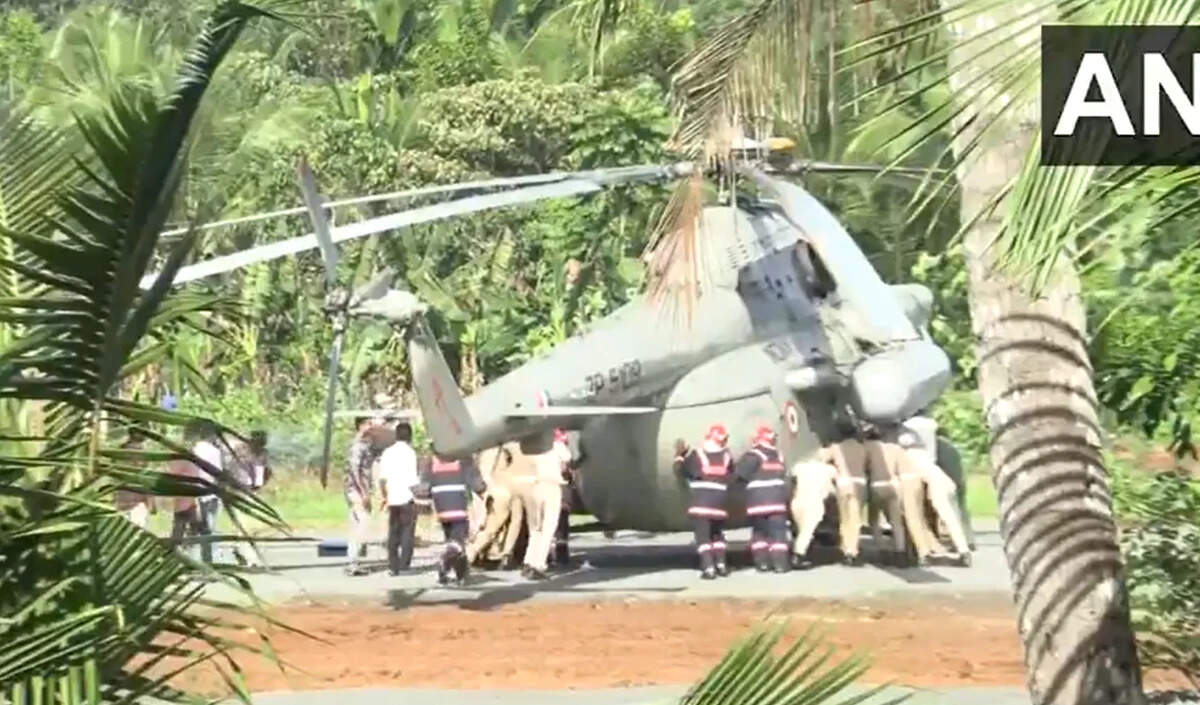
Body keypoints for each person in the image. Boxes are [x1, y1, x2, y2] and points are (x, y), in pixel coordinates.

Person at [897, 414, 972, 566]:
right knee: (951, 518)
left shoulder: (909, 444)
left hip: (935, 483)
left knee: (920, 512)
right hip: (943, 479)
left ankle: (920, 550)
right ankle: (963, 549)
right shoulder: (929, 431)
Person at [863, 426, 937, 566]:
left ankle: (882, 548)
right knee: (896, 521)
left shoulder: (867, 448)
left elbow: (865, 467)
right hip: (893, 485)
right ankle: (900, 551)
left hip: (877, 485)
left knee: (873, 519)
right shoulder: (894, 448)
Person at [676, 424, 734, 579]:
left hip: (701, 505)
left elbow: (682, 471)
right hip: (719, 505)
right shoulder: (726, 457)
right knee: (717, 536)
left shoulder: (697, 455)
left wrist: (680, 456)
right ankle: (721, 565)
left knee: (703, 537)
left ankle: (709, 568)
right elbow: (731, 475)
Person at [424, 451, 487, 585]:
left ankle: (461, 575)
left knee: (453, 540)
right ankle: (444, 565)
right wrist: (483, 489)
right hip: (457, 505)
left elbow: (425, 485)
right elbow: (477, 484)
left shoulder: (432, 460)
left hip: (441, 506)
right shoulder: (464, 458)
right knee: (458, 543)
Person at [735, 425, 792, 573]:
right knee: (778, 534)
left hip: (758, 504)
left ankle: (762, 563)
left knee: (760, 534)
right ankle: (780, 564)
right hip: (778, 503)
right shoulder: (779, 456)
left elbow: (739, 476)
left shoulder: (752, 456)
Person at [815, 421, 870, 566]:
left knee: (844, 519)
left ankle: (845, 550)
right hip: (859, 482)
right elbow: (869, 465)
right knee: (856, 519)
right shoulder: (862, 448)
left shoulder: (836, 448)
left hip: (843, 481)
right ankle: (853, 550)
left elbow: (821, 458)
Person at [466, 443, 528, 569]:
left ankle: (496, 553)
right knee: (510, 522)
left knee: (495, 526)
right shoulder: (515, 446)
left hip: (499, 488)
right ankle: (471, 554)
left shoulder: (494, 448)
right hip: (509, 487)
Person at [521, 428, 571, 580]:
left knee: (536, 528)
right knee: (549, 527)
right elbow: (568, 458)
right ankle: (538, 564)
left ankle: (528, 561)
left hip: (534, 486)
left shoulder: (531, 447)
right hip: (551, 485)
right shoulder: (556, 445)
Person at [378, 422, 420, 575]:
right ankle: (404, 564)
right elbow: (414, 479)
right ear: (410, 436)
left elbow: (382, 479)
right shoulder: (411, 453)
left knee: (393, 533)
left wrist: (384, 496)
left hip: (393, 497)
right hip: (408, 497)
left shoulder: (387, 452)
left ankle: (393, 565)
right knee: (407, 532)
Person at [344, 416, 385, 577]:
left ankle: (353, 561)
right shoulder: (358, 446)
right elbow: (355, 471)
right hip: (356, 490)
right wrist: (363, 492)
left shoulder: (366, 445)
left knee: (356, 524)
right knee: (363, 523)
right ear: (361, 426)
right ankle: (353, 561)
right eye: (368, 423)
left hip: (355, 489)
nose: (371, 426)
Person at [191, 420, 224, 564]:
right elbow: (218, 473)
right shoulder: (214, 451)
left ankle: (198, 559)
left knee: (197, 527)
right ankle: (209, 560)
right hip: (211, 492)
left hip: (195, 491)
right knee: (210, 527)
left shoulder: (194, 449)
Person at [115, 428, 155, 529]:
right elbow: (145, 479)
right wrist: (151, 501)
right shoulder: (142, 453)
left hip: (121, 500)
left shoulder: (119, 452)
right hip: (137, 502)